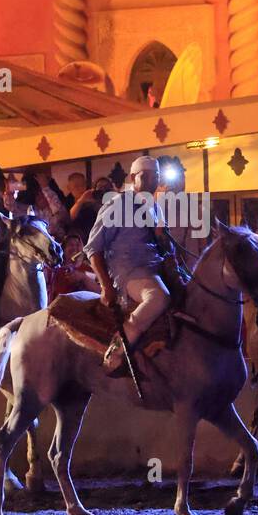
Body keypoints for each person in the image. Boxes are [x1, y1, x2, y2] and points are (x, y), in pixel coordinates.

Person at [84, 155, 171, 374]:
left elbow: (164, 248)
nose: (152, 180)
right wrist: (106, 286)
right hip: (128, 271)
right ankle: (116, 350)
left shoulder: (155, 208)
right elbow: (93, 248)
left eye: (156, 176)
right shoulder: (117, 204)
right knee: (158, 297)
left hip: (154, 268)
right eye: (147, 176)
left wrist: (162, 238)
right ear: (133, 177)